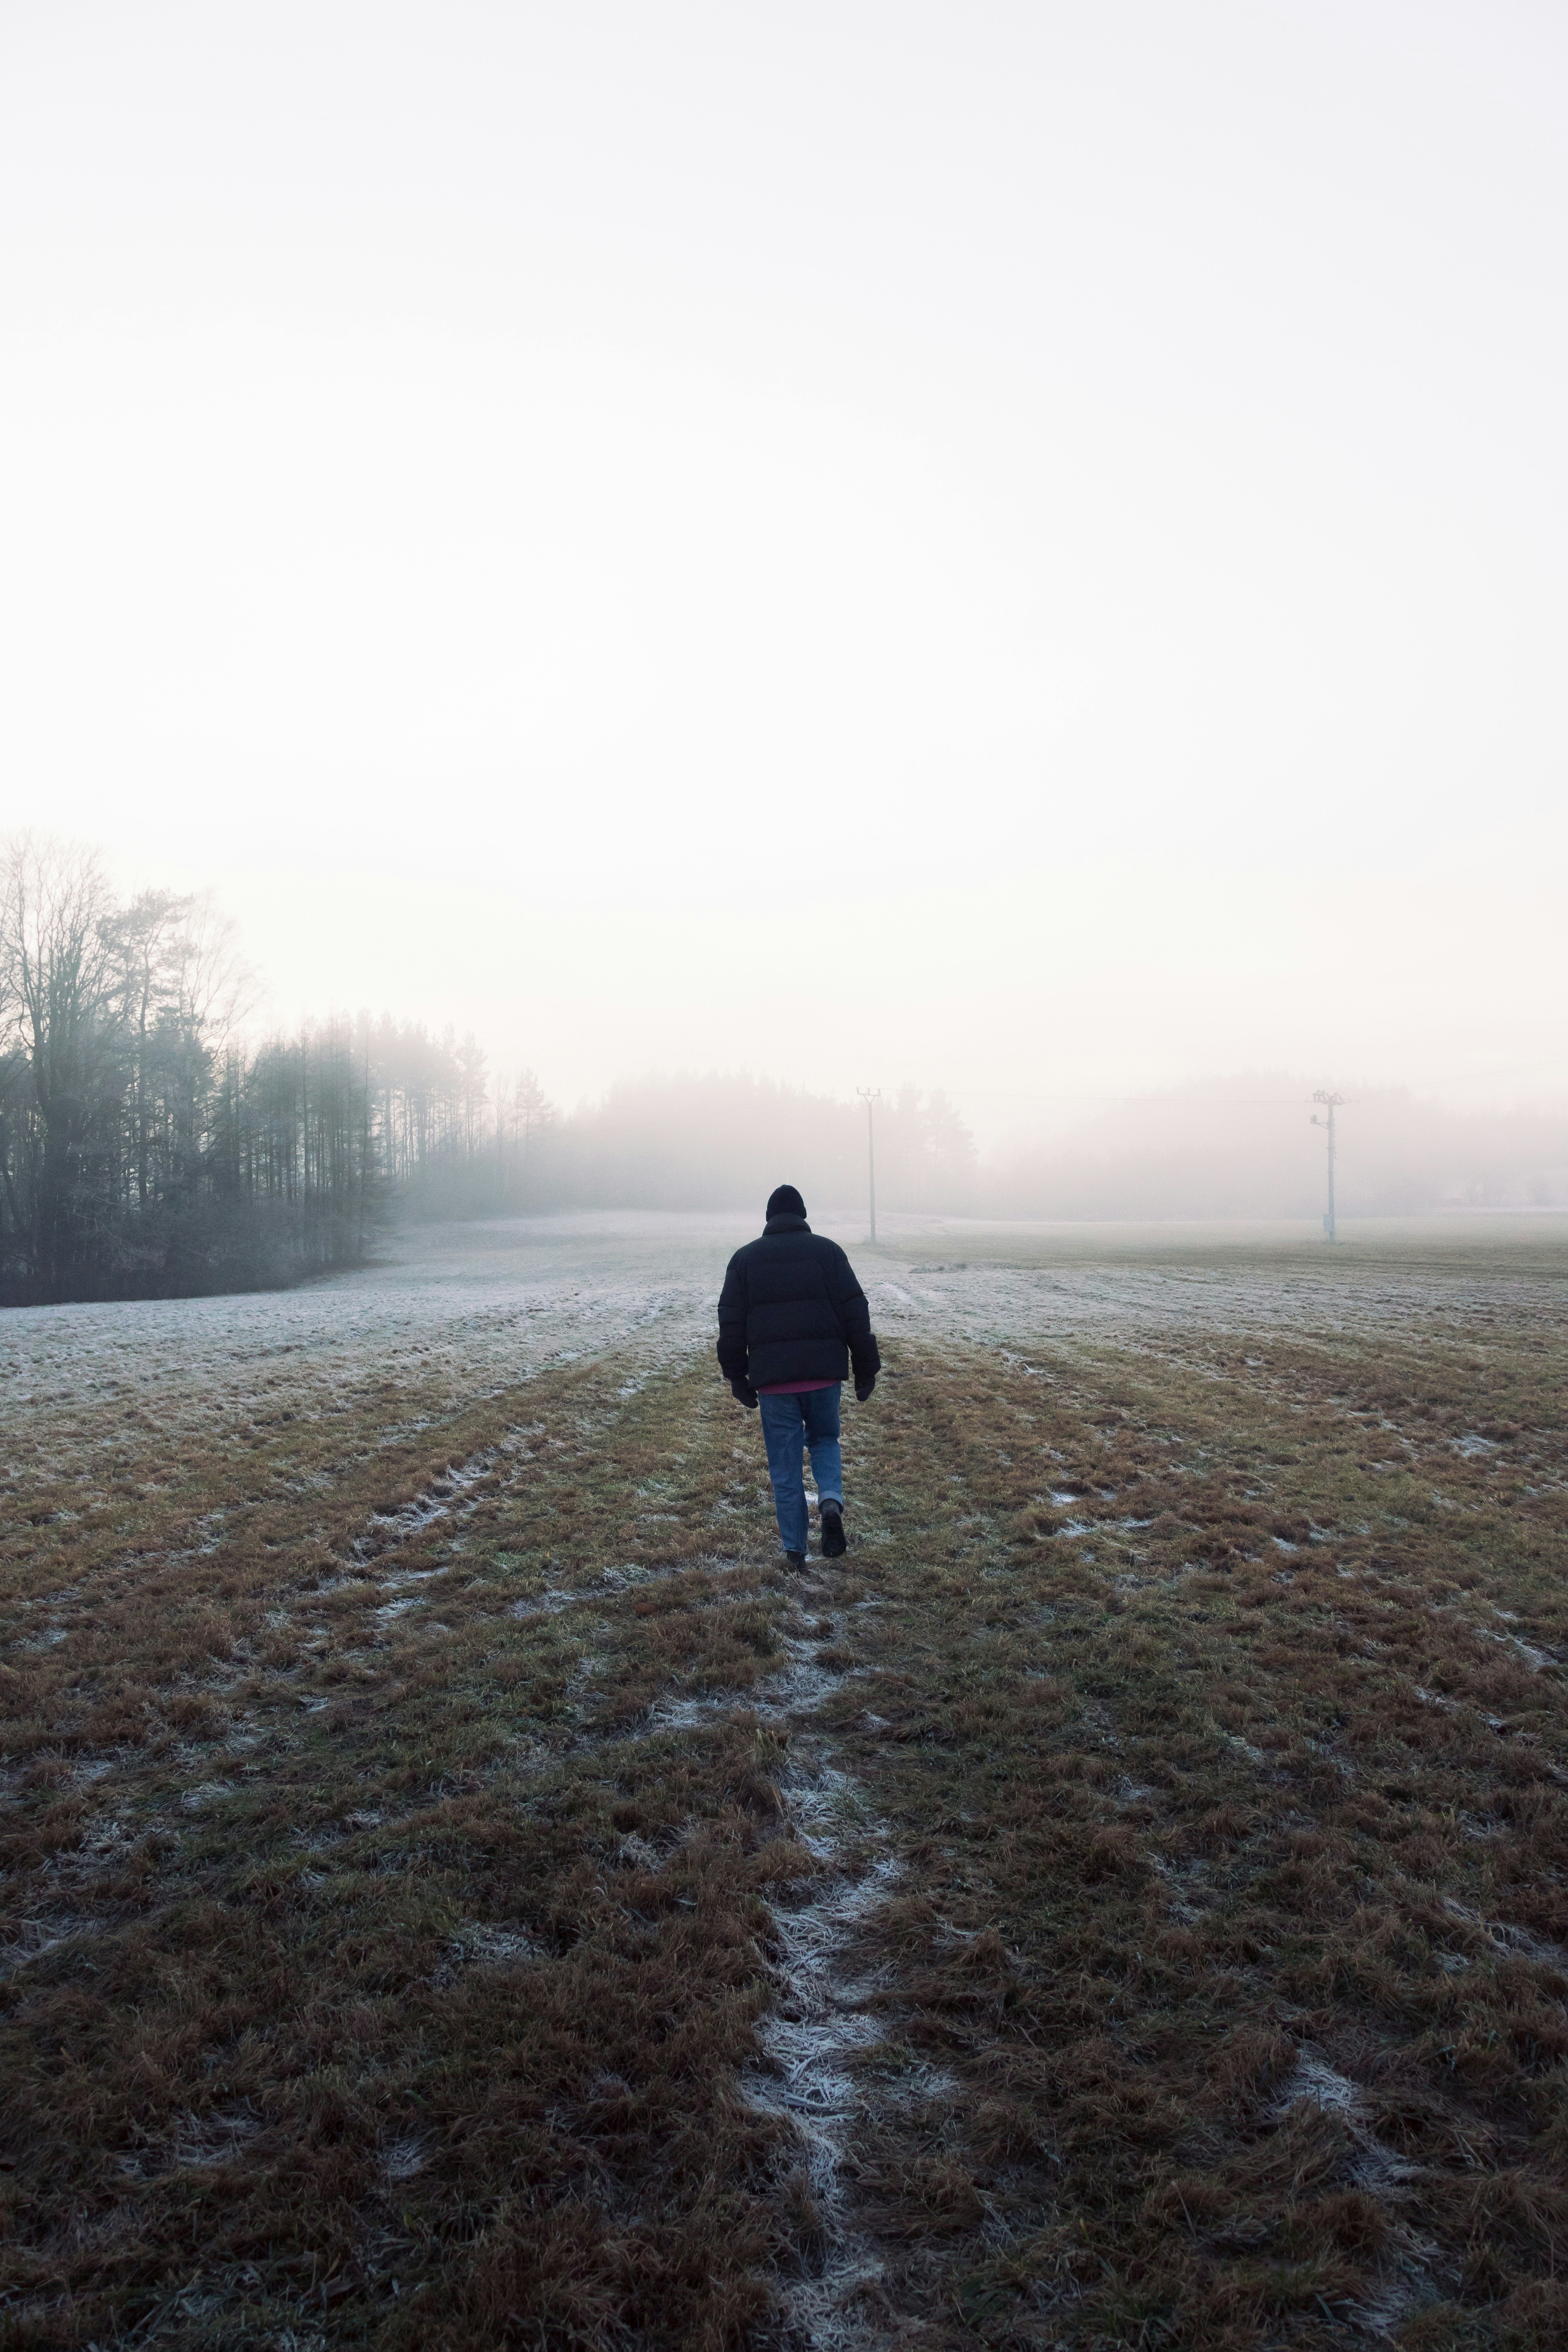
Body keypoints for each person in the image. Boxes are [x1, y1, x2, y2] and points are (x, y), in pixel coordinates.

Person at [717, 1184, 880, 1567]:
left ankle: (795, 1552)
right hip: (824, 1375)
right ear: (803, 1216)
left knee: (785, 1466)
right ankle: (830, 1503)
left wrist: (737, 1377)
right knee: (825, 1439)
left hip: (774, 1381)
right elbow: (856, 1312)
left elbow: (731, 1323)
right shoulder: (829, 1253)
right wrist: (866, 1367)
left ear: (769, 1218)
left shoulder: (744, 1260)